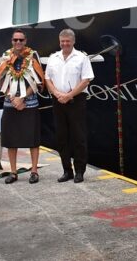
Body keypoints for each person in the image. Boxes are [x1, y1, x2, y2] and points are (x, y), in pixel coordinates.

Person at [0, 29, 43, 184]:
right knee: (11, 139)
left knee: (33, 139)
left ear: (25, 41)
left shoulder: (33, 56)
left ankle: (34, 171)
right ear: (12, 41)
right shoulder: (6, 57)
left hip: (30, 103)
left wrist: (23, 97)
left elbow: (37, 80)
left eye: (21, 40)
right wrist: (13, 98)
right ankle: (13, 172)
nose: (18, 43)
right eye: (15, 40)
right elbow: (0, 81)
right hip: (10, 104)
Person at [45, 28, 94, 183]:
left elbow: (86, 79)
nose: (65, 44)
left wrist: (69, 95)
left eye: (68, 41)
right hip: (58, 101)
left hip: (76, 101)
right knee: (61, 137)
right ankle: (67, 171)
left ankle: (80, 171)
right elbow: (47, 79)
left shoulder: (81, 58)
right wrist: (57, 94)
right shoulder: (53, 58)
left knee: (78, 137)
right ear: (59, 42)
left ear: (73, 41)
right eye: (62, 41)